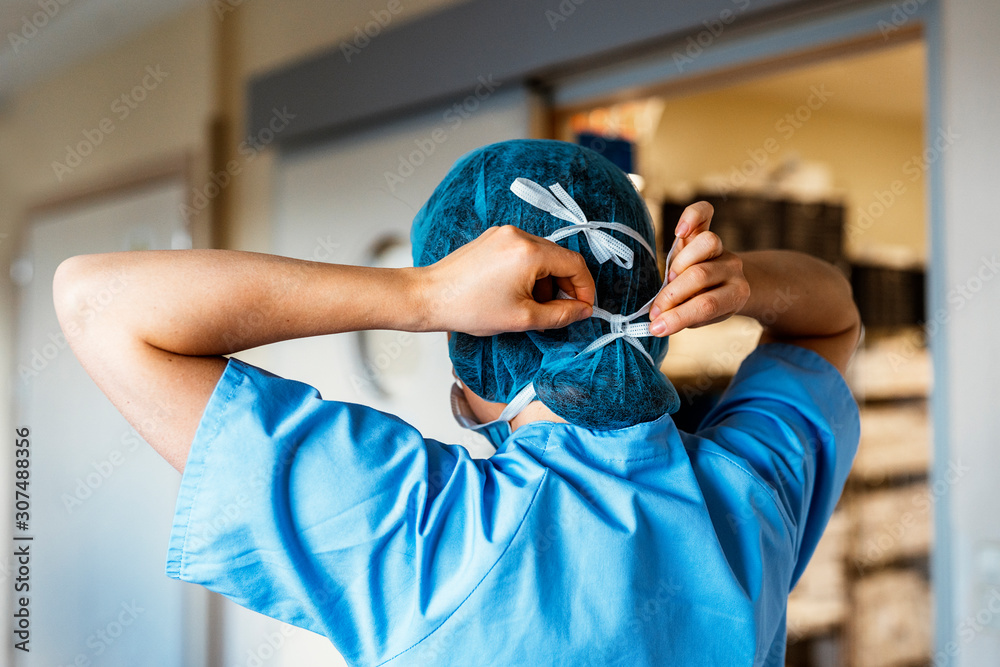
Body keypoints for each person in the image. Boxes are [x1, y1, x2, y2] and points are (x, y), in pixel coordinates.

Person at [53, 139, 861, 666]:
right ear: (661, 312)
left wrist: (419, 294)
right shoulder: (749, 499)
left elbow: (95, 304)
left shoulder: (420, 533)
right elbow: (832, 321)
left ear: (472, 364)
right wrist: (742, 279)